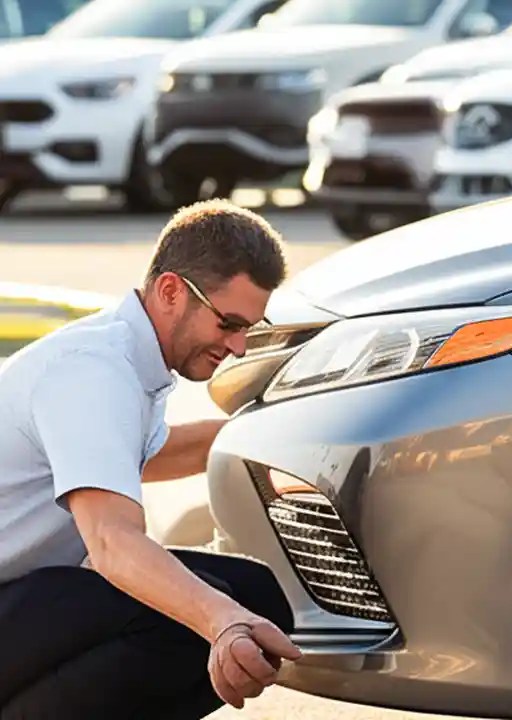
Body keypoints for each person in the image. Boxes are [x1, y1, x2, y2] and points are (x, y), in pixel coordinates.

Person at [0, 200, 303, 718]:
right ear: (170, 292)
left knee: (256, 596)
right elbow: (112, 543)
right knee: (194, 614)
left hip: (19, 597)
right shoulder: (93, 372)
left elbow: (147, 453)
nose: (236, 346)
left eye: (248, 329)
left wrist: (271, 431)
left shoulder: (124, 356)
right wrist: (221, 622)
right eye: (228, 323)